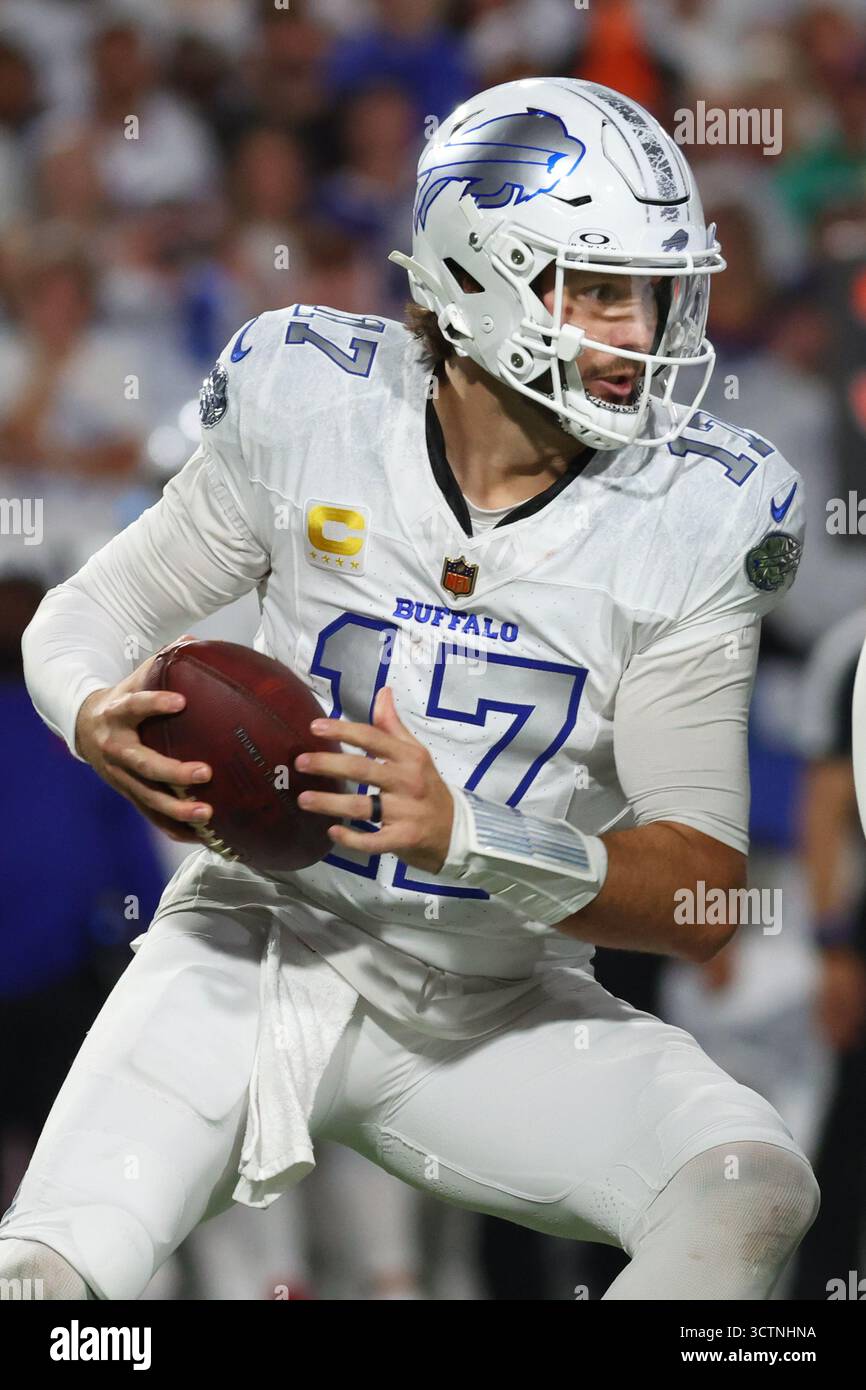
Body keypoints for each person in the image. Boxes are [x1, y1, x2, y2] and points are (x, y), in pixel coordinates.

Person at [0, 78, 819, 1301]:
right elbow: (86, 613)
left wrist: (470, 835)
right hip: (255, 946)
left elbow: (700, 890)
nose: (638, 331)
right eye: (595, 287)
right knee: (48, 1284)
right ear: (480, 277)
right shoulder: (313, 406)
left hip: (495, 998)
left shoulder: (691, 517)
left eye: (647, 292)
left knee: (748, 1184)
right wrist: (90, 712)